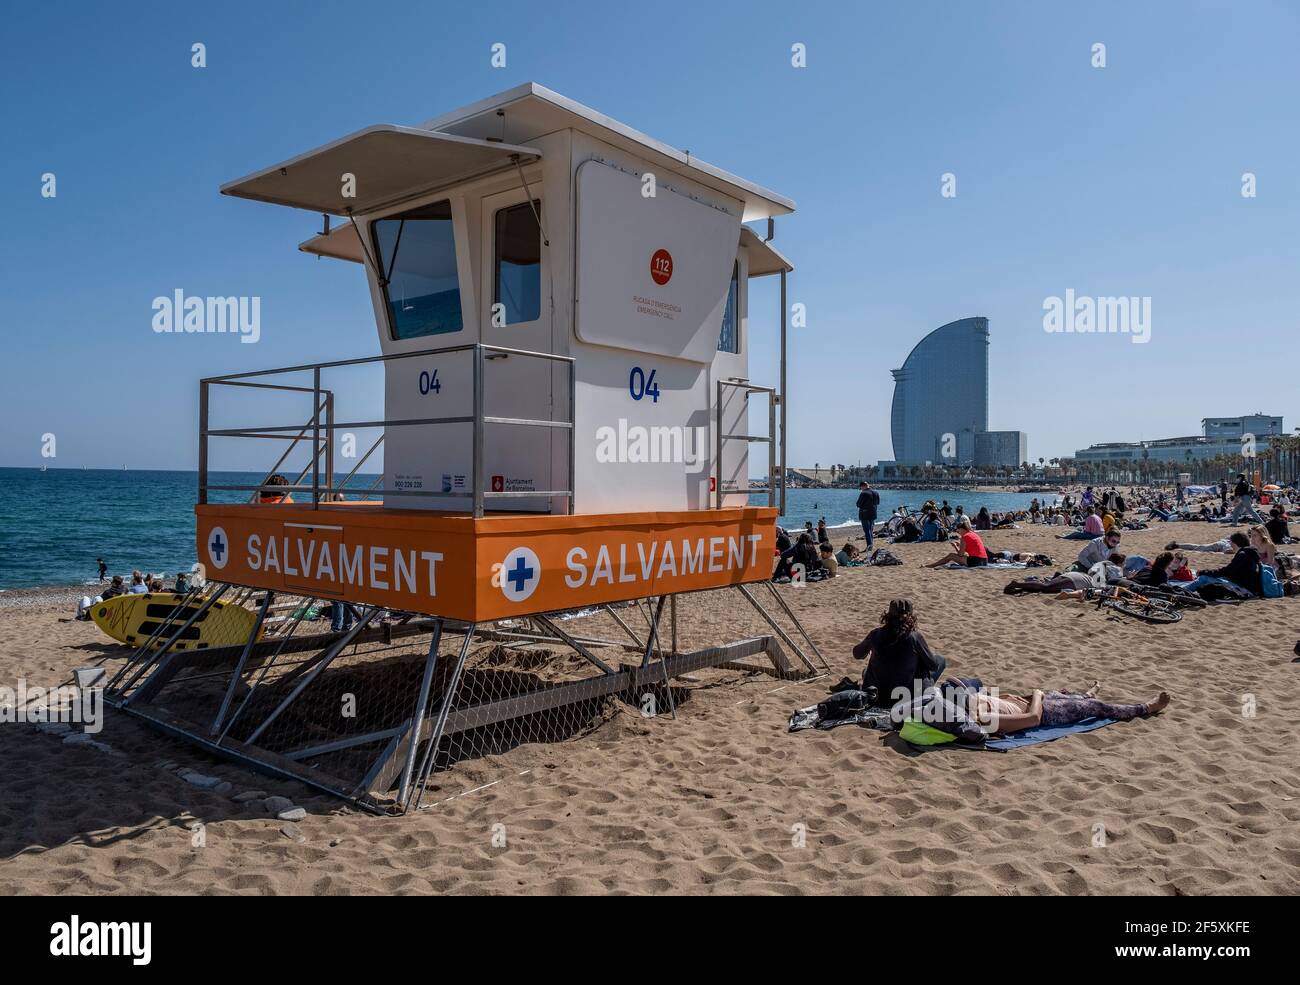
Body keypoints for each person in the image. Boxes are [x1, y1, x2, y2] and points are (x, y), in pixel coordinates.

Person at [971, 682, 1170, 734]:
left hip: (1034, 702)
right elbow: (1033, 719)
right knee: (1098, 708)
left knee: (1060, 694)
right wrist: (1038, 696)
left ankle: (1086, 695)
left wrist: (1034, 696)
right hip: (1045, 713)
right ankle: (1147, 708)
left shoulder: (970, 702)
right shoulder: (984, 719)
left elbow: (1007, 699)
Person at [852, 599, 944, 707]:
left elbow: (857, 654)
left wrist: (870, 646)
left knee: (867, 671)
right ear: (911, 618)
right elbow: (933, 666)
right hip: (905, 696)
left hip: (878, 696)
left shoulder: (876, 634)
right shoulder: (914, 637)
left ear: (888, 616)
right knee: (940, 660)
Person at [1183, 532, 1263, 597]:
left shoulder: (1243, 555)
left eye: (1230, 542)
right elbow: (1231, 571)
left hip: (1243, 588)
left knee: (1204, 578)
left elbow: (1226, 571)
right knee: (1210, 578)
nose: (1230, 544)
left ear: (1235, 543)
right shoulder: (1251, 552)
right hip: (1248, 586)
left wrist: (1204, 572)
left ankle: (1182, 591)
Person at [856, 482, 880, 549]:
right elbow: (877, 503)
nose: (861, 489)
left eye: (860, 488)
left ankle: (869, 546)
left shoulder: (863, 493)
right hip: (873, 513)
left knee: (867, 531)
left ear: (863, 486)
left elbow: (858, 504)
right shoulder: (876, 492)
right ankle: (871, 544)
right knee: (870, 530)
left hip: (864, 514)